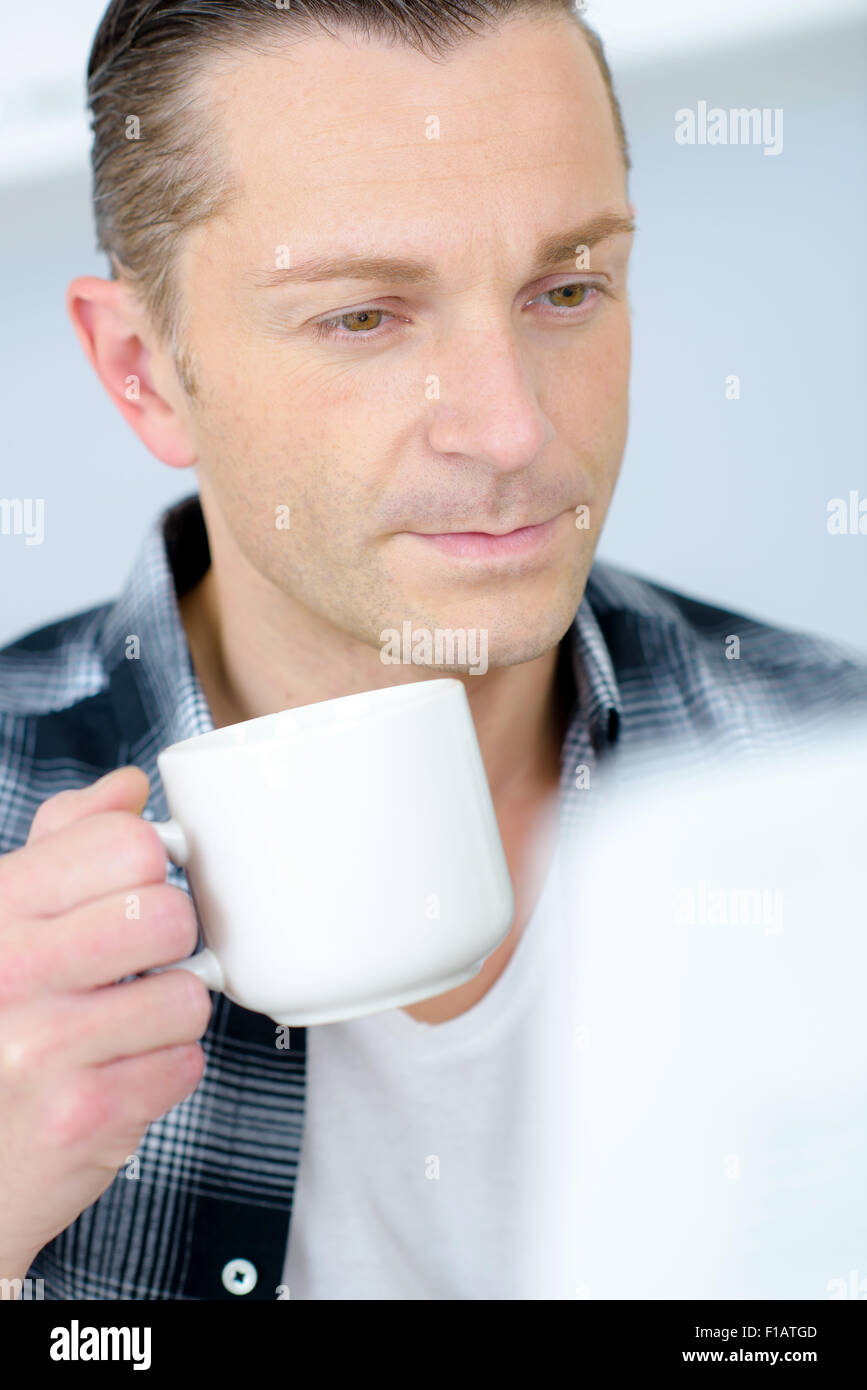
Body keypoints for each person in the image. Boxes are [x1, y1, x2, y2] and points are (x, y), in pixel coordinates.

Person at [0, 0, 863, 1300]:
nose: (512, 430)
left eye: (567, 288)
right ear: (142, 370)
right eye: (364, 317)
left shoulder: (830, 768)